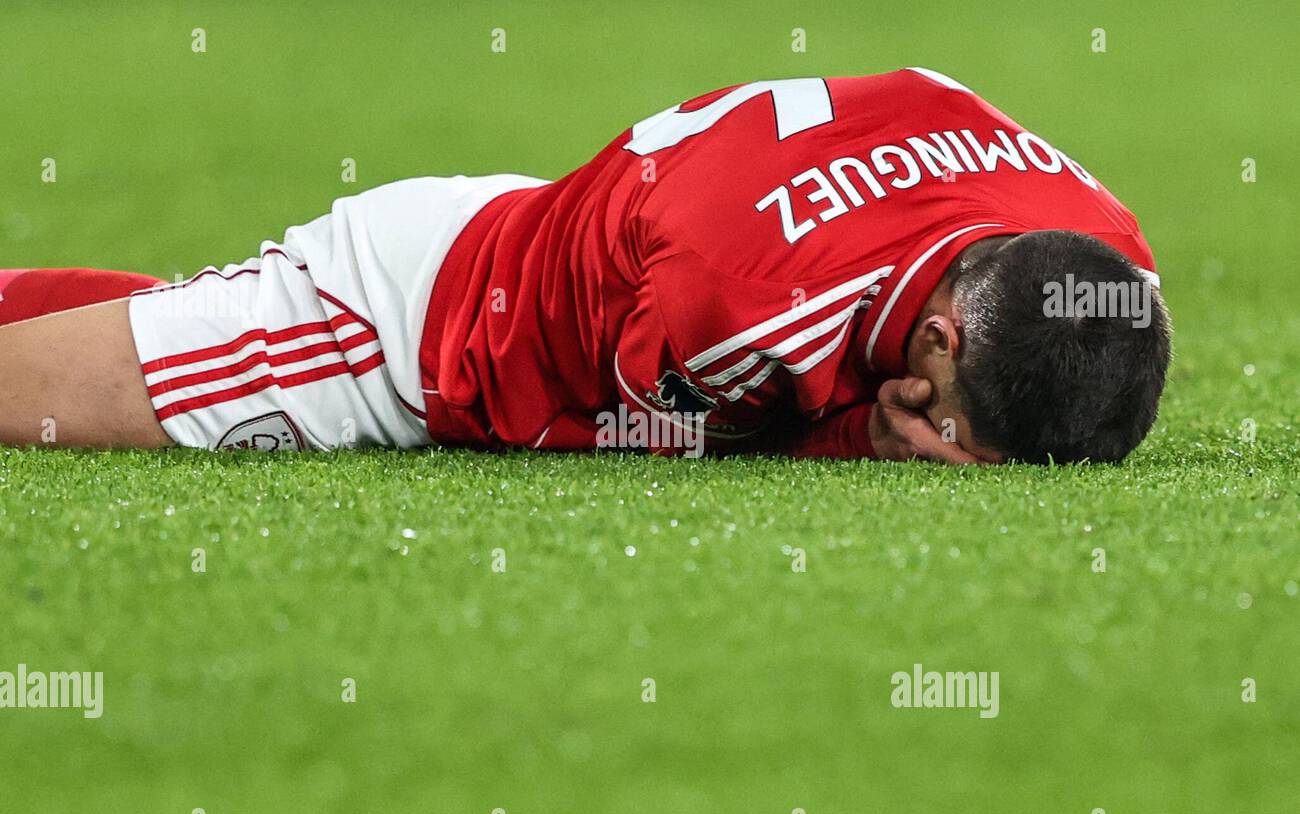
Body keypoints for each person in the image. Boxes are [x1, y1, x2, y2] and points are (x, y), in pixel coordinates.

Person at [0, 68, 1169, 463]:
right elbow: (647, 428)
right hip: (416, 326)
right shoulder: (742, 309)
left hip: (569, 226)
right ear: (939, 343)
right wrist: (856, 436)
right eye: (963, 432)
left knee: (171, 317)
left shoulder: (1105, 248)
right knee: (40, 399)